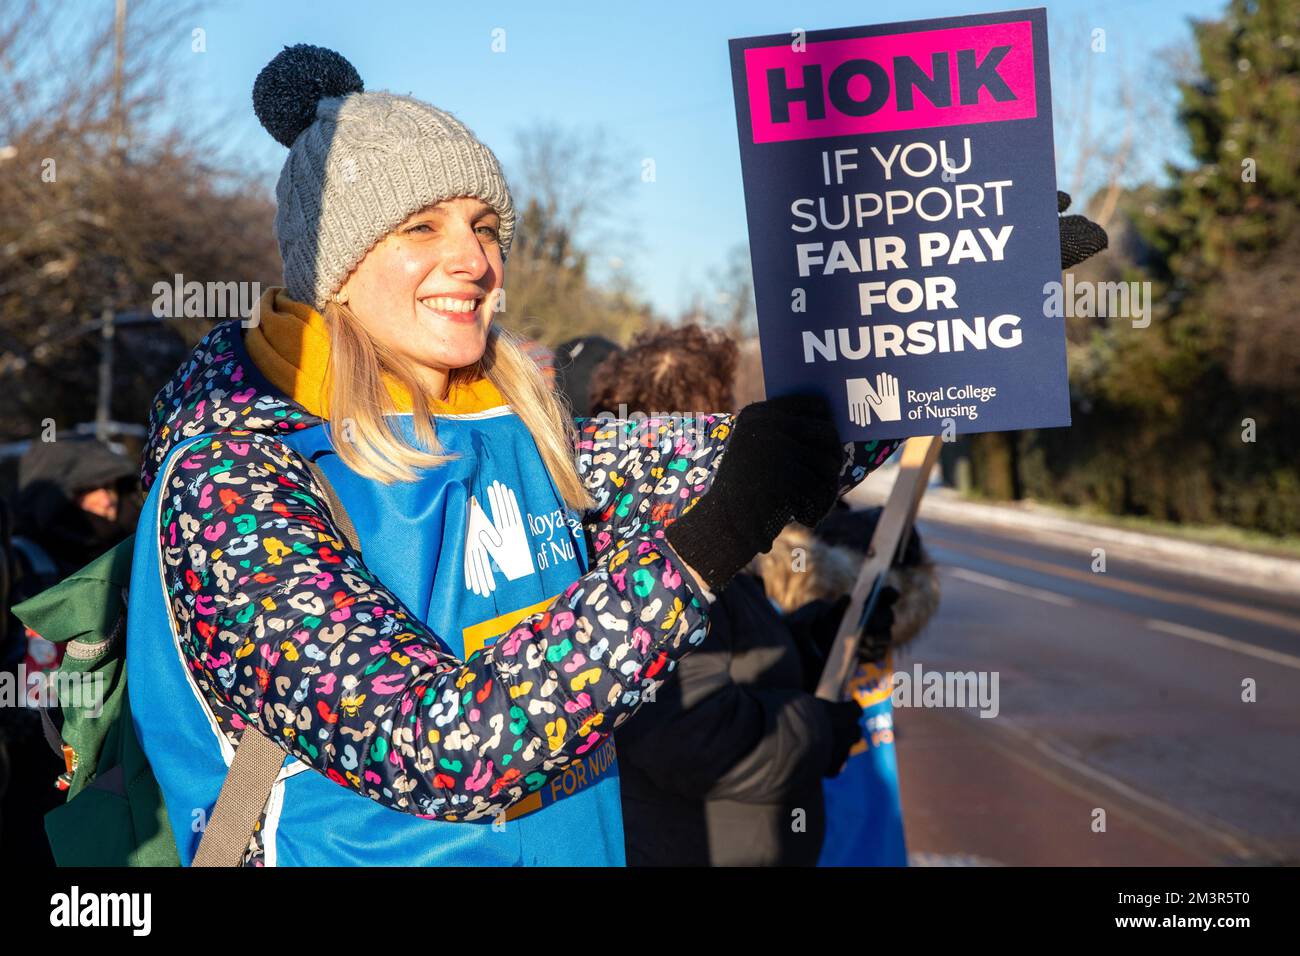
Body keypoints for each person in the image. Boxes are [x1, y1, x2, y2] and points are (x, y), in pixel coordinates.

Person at [123, 44, 901, 866]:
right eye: (423, 225)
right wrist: (702, 552)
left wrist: (970, 308)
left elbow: (780, 458)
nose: (476, 259)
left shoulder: (522, 437)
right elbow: (442, 745)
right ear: (334, 267)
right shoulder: (230, 477)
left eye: (484, 226)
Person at [592, 323, 881, 866]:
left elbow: (738, 653)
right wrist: (818, 728)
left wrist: (818, 631)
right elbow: (689, 732)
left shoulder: (704, 534)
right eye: (726, 405)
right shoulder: (661, 553)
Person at [1, 436, 139, 865]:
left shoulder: (122, 561)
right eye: (89, 489)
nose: (107, 501)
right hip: (26, 751)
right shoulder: (20, 561)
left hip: (100, 745)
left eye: (114, 488)